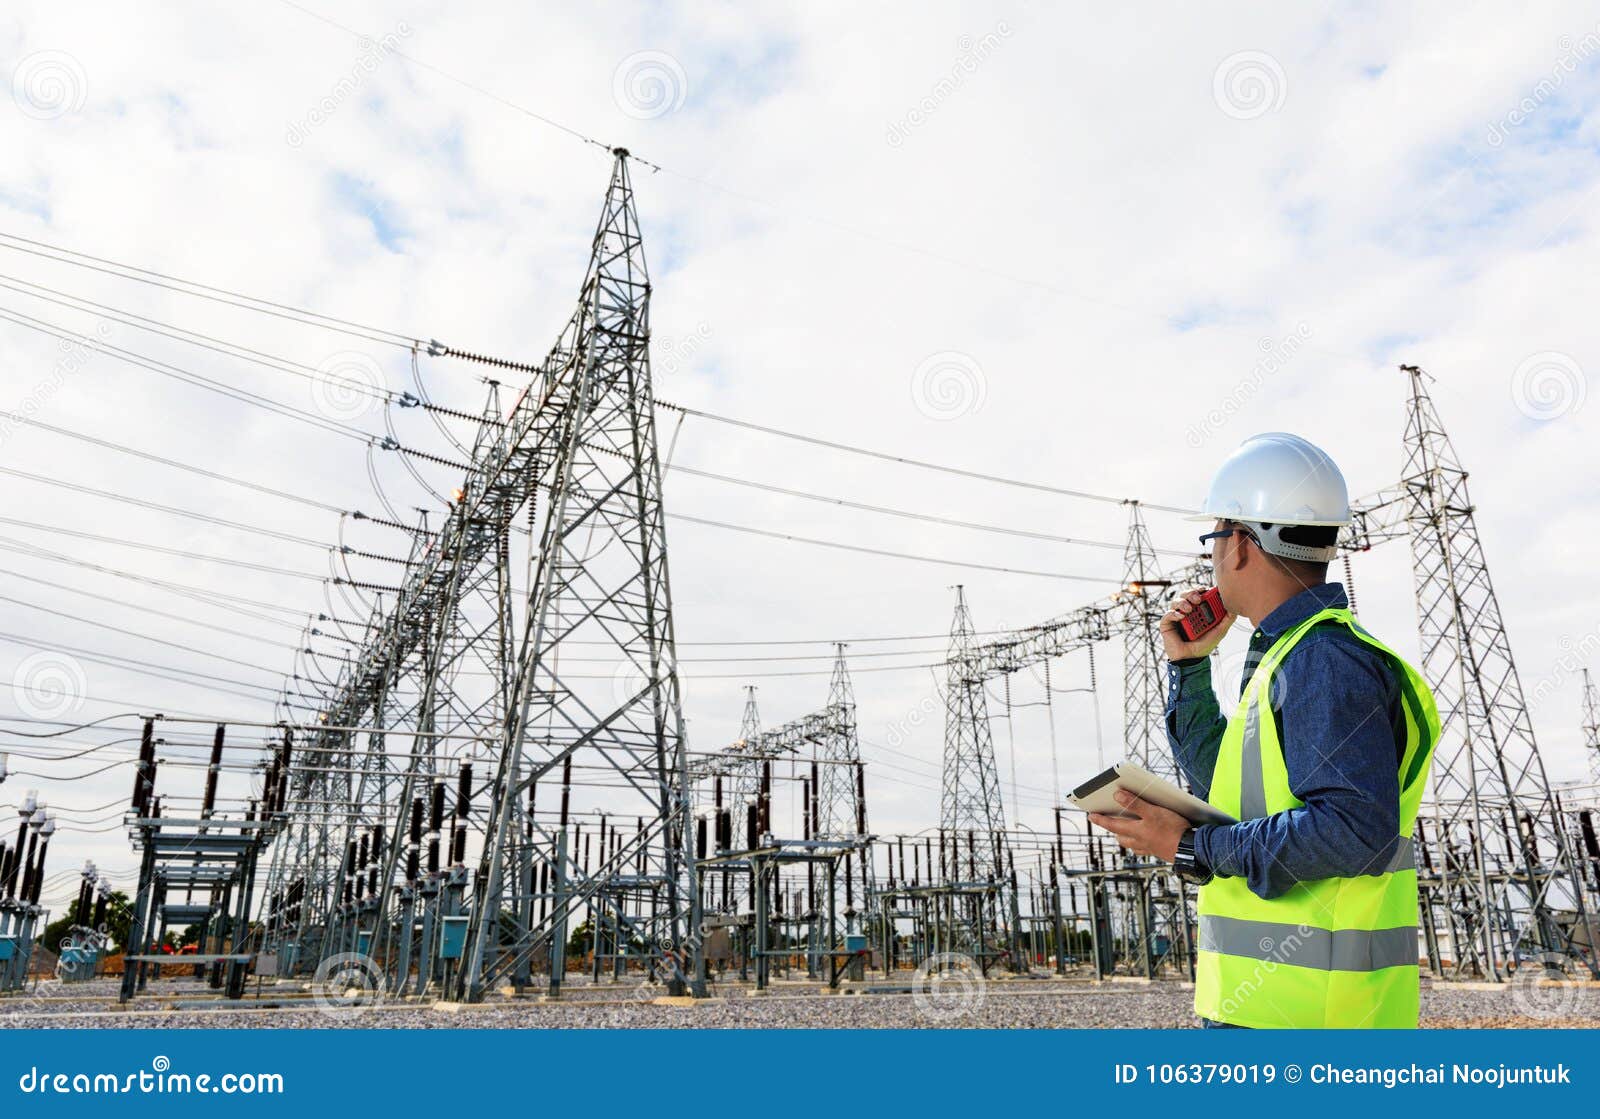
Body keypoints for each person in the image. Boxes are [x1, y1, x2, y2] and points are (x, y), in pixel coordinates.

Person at [1088, 432, 1439, 1028]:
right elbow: (1228, 783)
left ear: (1244, 545)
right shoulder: (1291, 656)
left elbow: (1355, 832)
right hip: (1277, 1010)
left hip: (1308, 1022)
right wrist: (1189, 669)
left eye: (1215, 538)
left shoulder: (1323, 660)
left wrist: (1191, 845)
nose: (1213, 556)